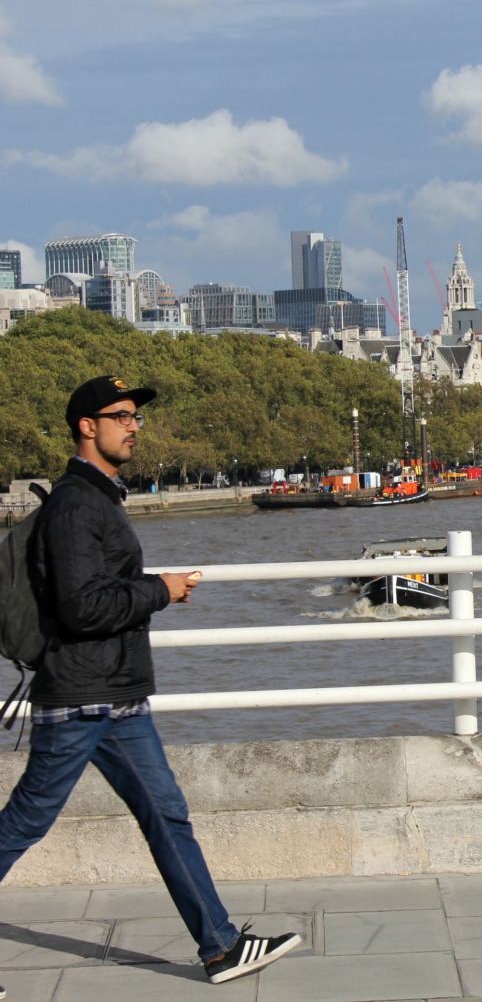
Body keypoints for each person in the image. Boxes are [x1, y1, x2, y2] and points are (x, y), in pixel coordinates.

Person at [0, 376, 300, 986]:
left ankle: (219, 946)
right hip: (85, 698)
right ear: (88, 426)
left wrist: (148, 590)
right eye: (123, 416)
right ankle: (217, 942)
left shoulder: (99, 498)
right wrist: (157, 590)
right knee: (25, 823)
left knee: (167, 815)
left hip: (114, 696)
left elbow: (96, 595)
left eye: (136, 416)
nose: (135, 426)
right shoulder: (77, 505)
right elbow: (82, 607)